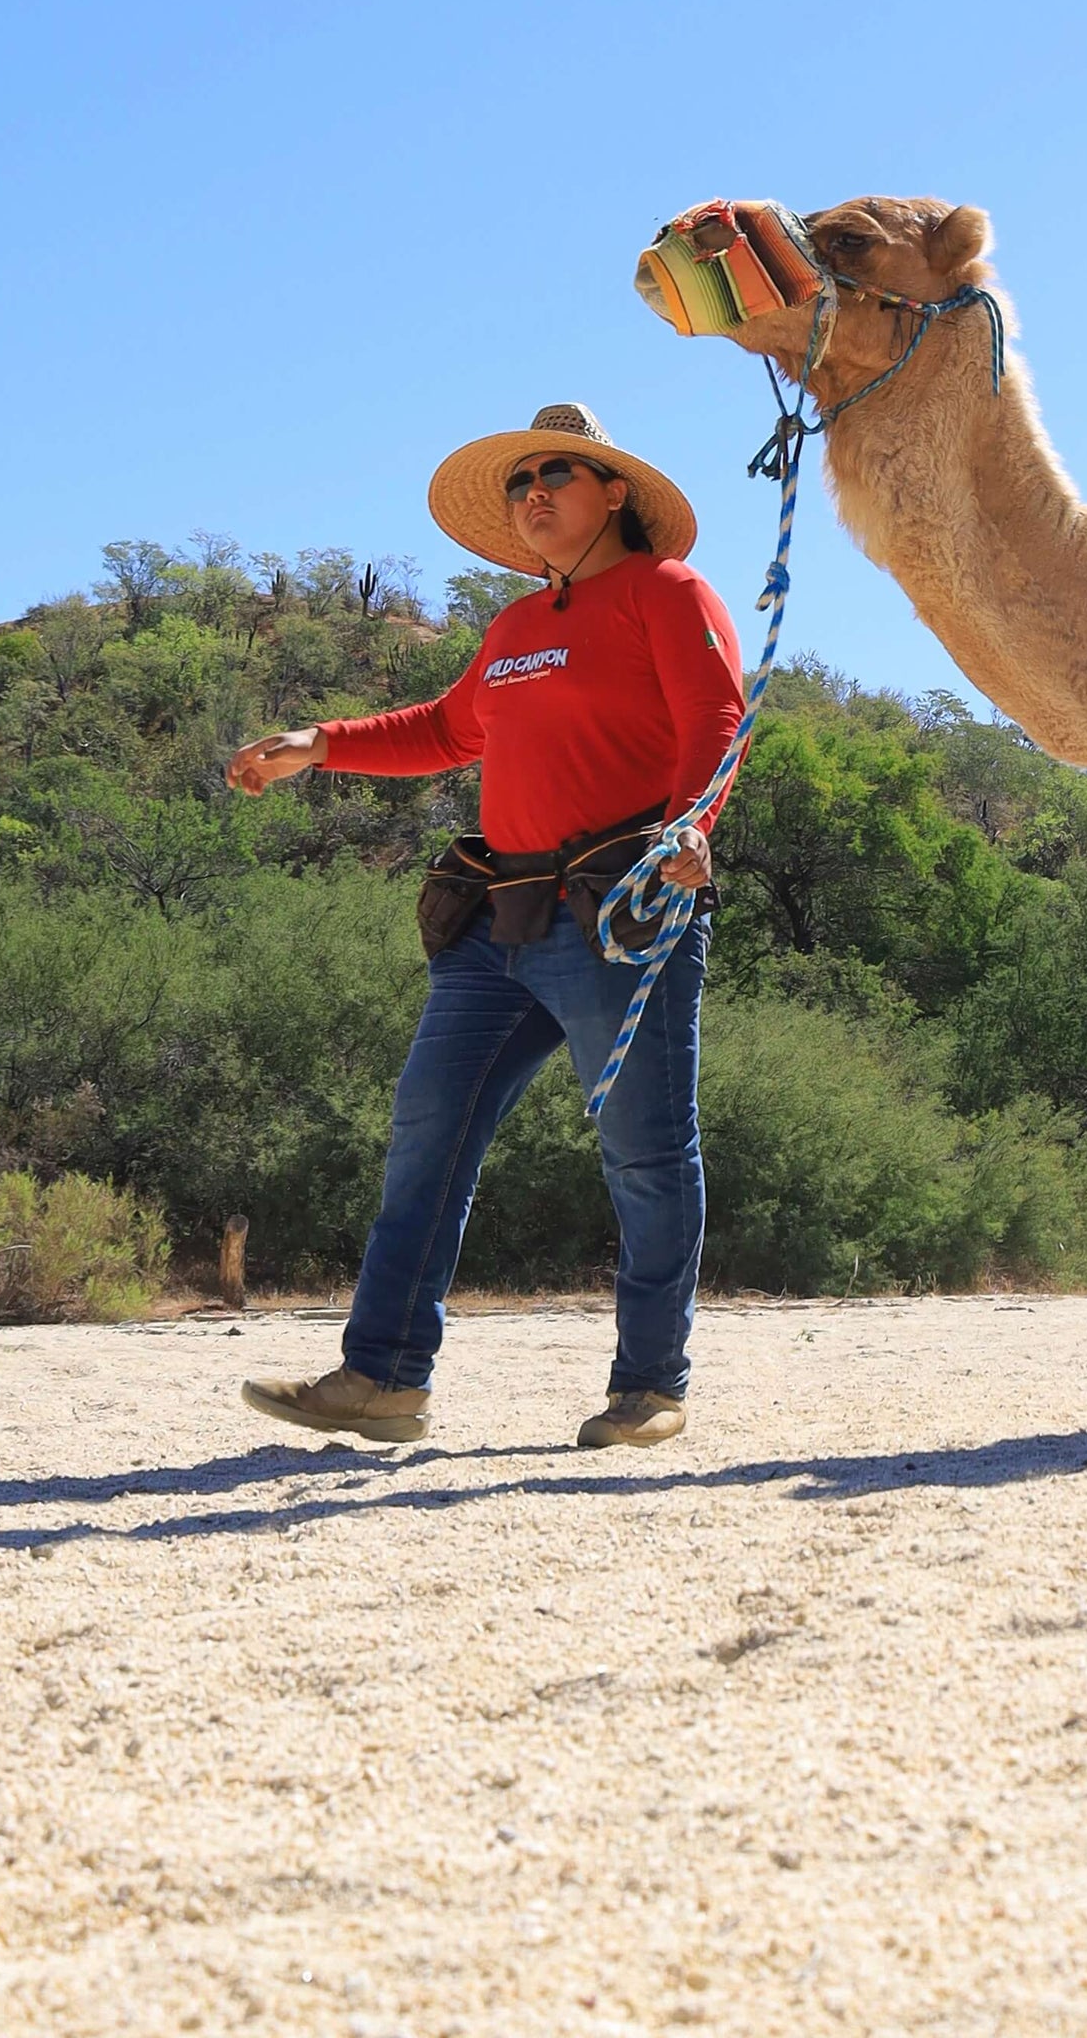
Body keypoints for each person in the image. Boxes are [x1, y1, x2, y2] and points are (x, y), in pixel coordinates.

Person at [225, 403, 742, 1451]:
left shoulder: (664, 590)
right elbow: (447, 727)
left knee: (644, 1153)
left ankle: (650, 1385)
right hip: (498, 920)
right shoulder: (511, 629)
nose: (533, 490)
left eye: (558, 471)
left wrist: (693, 826)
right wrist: (318, 742)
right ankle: (382, 1378)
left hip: (620, 914)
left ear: (614, 493)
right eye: (520, 480)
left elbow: (716, 722)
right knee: (427, 1130)